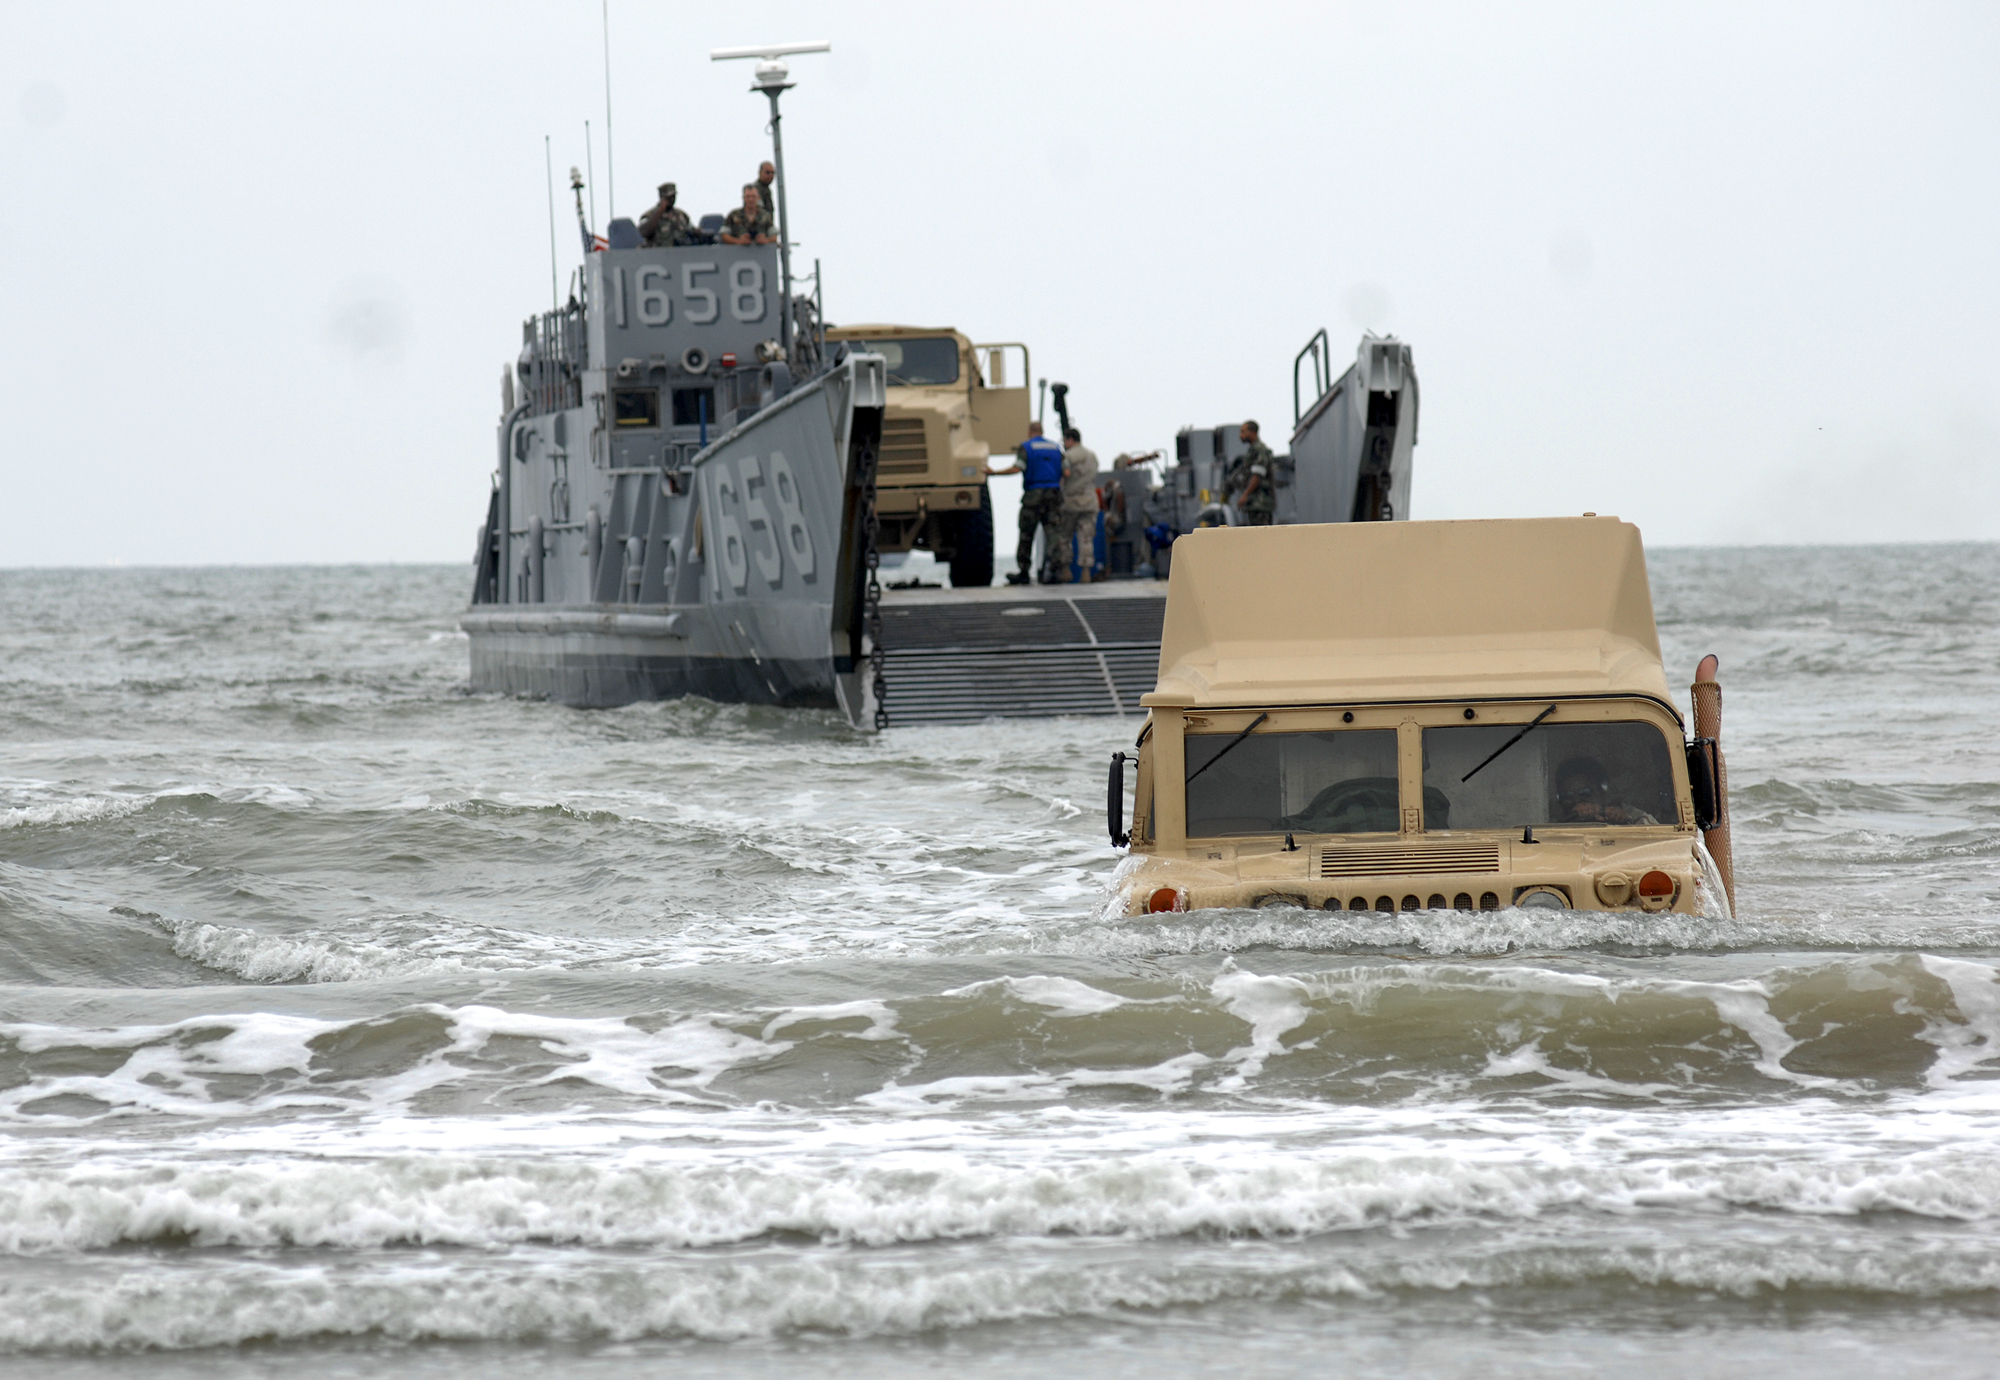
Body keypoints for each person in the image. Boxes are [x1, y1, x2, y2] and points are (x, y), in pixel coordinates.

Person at [986, 422, 1066, 585]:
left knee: (1026, 534)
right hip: (1053, 495)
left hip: (1033, 496)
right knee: (1054, 533)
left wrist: (994, 473)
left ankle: (1024, 572)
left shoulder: (1027, 447)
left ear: (1029, 431)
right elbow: (1066, 471)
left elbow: (1017, 468)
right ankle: (1055, 571)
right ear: (1042, 431)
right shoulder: (1056, 447)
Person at [1554, 756, 1660, 826]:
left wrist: (1626, 823)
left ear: (1602, 791)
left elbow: (1659, 840)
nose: (1577, 801)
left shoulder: (1631, 814)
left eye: (1585, 794)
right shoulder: (1553, 822)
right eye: (1568, 796)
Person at [1055, 427, 1100, 582]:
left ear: (1070, 440)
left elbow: (1064, 473)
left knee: (1065, 537)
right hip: (1089, 502)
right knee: (1086, 538)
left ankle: (1066, 570)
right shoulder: (1092, 456)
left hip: (1070, 503)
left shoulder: (1067, 456)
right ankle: (1086, 572)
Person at [1229, 420, 1277, 526]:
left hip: (1261, 503)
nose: (1240, 435)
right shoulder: (1252, 450)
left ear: (1252, 432)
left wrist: (1245, 495)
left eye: (1243, 432)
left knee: (1261, 534)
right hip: (1254, 503)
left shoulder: (1259, 449)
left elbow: (1257, 475)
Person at [637, 182, 692, 248]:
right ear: (661, 197)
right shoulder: (649, 215)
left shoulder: (681, 215)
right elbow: (644, 232)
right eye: (668, 198)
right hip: (657, 254)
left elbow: (690, 230)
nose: (672, 200)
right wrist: (660, 211)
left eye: (673, 197)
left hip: (679, 254)